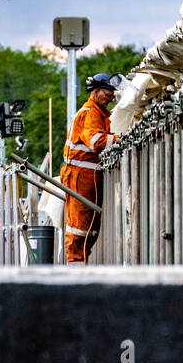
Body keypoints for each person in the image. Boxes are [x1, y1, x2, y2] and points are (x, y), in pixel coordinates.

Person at [61, 73, 121, 262]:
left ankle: (81, 262)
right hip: (80, 176)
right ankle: (75, 265)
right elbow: (96, 141)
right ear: (95, 92)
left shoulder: (100, 113)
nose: (110, 97)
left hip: (88, 176)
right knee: (79, 227)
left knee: (90, 228)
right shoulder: (90, 113)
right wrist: (121, 138)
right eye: (107, 93)